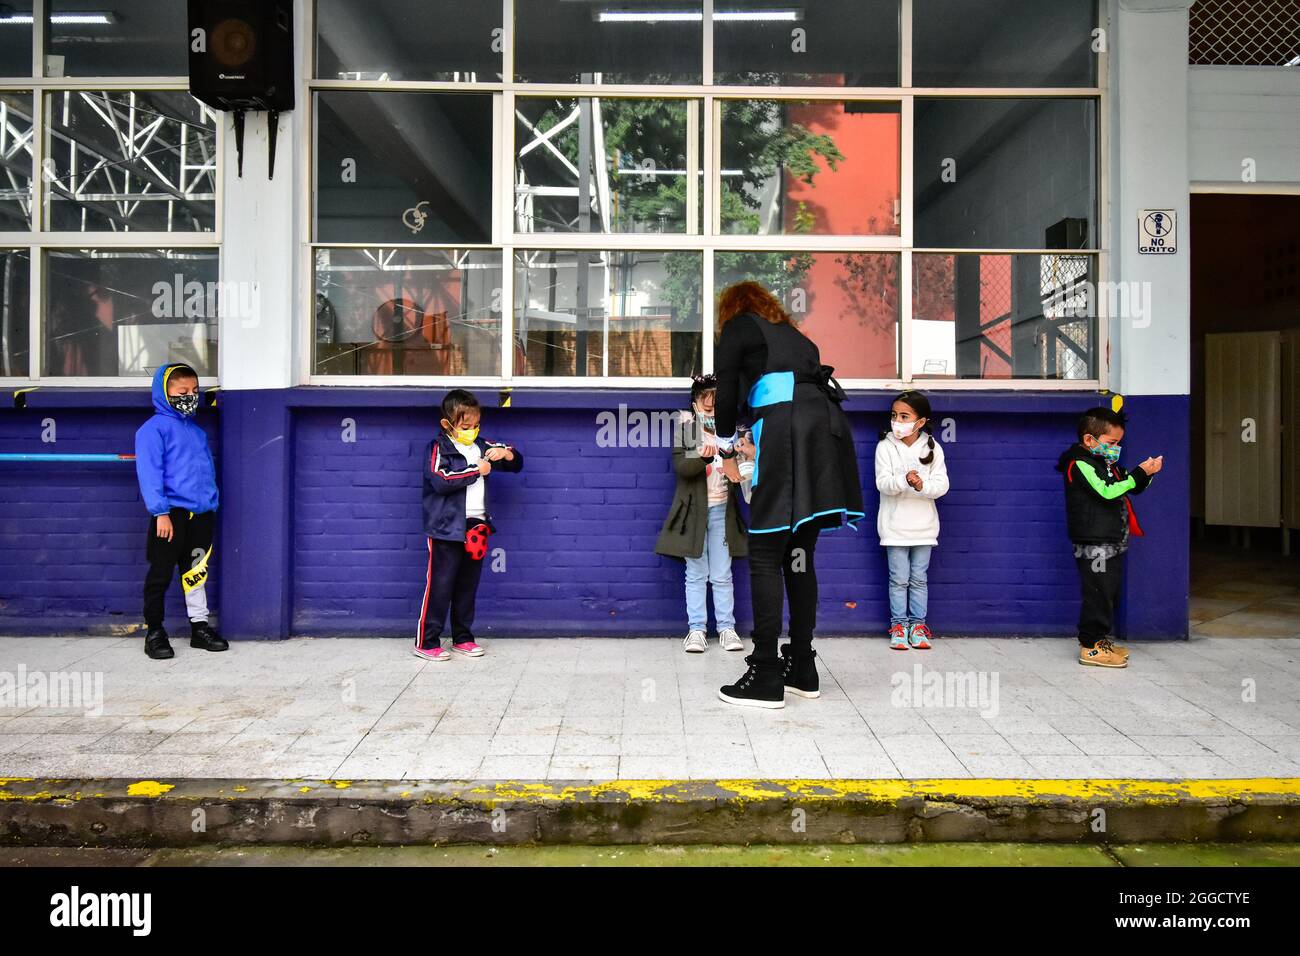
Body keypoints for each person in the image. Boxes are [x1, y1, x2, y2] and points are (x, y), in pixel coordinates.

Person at [710, 281, 864, 708]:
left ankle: (764, 672)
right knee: (798, 555)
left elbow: (725, 390)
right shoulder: (797, 336)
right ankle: (802, 665)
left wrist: (724, 446)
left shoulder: (740, 326)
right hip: (826, 431)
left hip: (786, 428)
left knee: (764, 552)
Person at [416, 388, 523, 662]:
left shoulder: (481, 445)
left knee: (467, 586)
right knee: (440, 585)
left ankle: (462, 637)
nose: (472, 430)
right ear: (447, 424)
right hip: (447, 527)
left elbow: (515, 462)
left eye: (476, 425)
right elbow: (440, 480)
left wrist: (506, 454)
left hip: (477, 527)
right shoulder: (439, 448)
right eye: (466, 426)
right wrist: (477, 470)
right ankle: (427, 641)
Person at [1055, 405, 1163, 668]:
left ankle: (1101, 639)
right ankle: (1091, 646)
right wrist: (1137, 475)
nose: (1116, 447)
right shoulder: (1079, 463)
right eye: (1111, 442)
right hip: (1094, 543)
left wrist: (1146, 475)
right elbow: (1105, 491)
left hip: (1111, 540)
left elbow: (1128, 486)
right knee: (1097, 593)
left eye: (1119, 442)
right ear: (1089, 439)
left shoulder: (1107, 463)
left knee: (1108, 592)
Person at [134, 363, 223, 660]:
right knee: (160, 573)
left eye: (194, 391)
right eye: (182, 392)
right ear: (164, 393)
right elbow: (150, 473)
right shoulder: (152, 430)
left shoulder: (196, 432)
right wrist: (160, 512)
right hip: (169, 516)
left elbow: (205, 470)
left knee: (196, 573)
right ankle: (155, 631)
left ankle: (199, 627)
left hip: (201, 515)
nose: (190, 396)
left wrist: (211, 503)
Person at [655, 374, 748, 654]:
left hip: (722, 510)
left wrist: (743, 461)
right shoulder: (685, 431)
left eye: (716, 407)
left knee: (722, 574)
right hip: (693, 514)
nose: (711, 411)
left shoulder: (732, 433)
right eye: (706, 407)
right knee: (695, 573)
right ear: (695, 405)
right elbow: (681, 468)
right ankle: (696, 629)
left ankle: (726, 628)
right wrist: (704, 458)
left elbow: (744, 471)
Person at [875, 390, 949, 650]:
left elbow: (942, 485)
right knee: (898, 579)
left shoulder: (933, 448)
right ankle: (899, 626)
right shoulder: (885, 447)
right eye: (894, 415)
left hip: (924, 528)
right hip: (894, 528)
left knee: (919, 579)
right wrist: (903, 480)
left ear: (920, 422)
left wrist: (921, 485)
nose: (897, 421)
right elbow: (882, 483)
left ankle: (918, 626)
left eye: (904, 416)